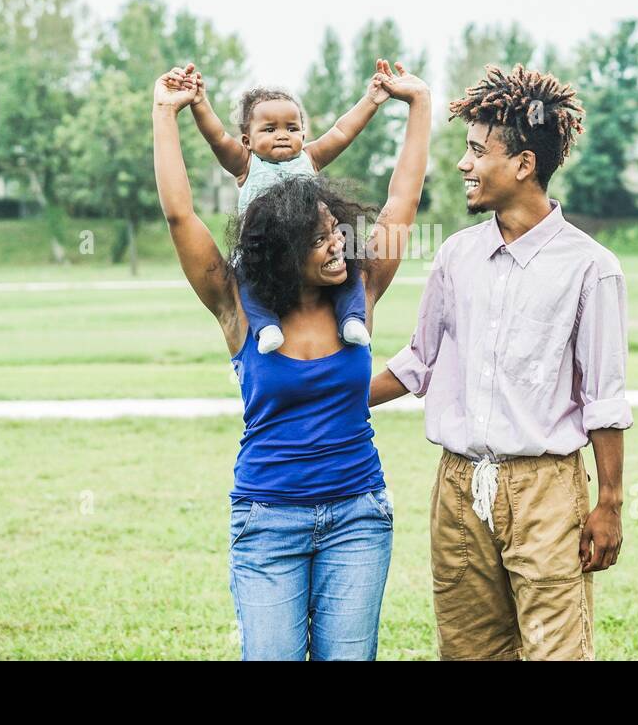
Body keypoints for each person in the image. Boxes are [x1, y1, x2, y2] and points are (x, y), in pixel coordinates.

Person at [151, 60, 430, 660]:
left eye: (337, 233)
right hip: (266, 521)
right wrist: (166, 111)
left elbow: (402, 199)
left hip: (358, 516)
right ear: (279, 249)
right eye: (319, 239)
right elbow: (180, 215)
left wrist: (418, 103)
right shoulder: (237, 305)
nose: (337, 245)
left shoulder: (362, 288)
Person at [369, 64, 631, 661]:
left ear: (523, 165)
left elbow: (605, 399)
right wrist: (323, 395)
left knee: (555, 652)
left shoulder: (590, 267)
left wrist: (609, 503)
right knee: (468, 653)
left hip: (545, 491)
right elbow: (419, 363)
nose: (463, 164)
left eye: (476, 151)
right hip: (458, 490)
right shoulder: (457, 256)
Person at [163, 62, 391, 353]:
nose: (282, 135)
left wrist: (371, 100)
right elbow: (217, 137)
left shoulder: (310, 158)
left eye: (291, 128)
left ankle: (351, 320)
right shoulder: (246, 164)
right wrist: (199, 102)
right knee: (246, 284)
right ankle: (267, 327)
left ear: (304, 135)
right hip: (261, 256)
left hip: (310, 250)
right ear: (247, 140)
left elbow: (342, 131)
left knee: (349, 274)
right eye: (269, 129)